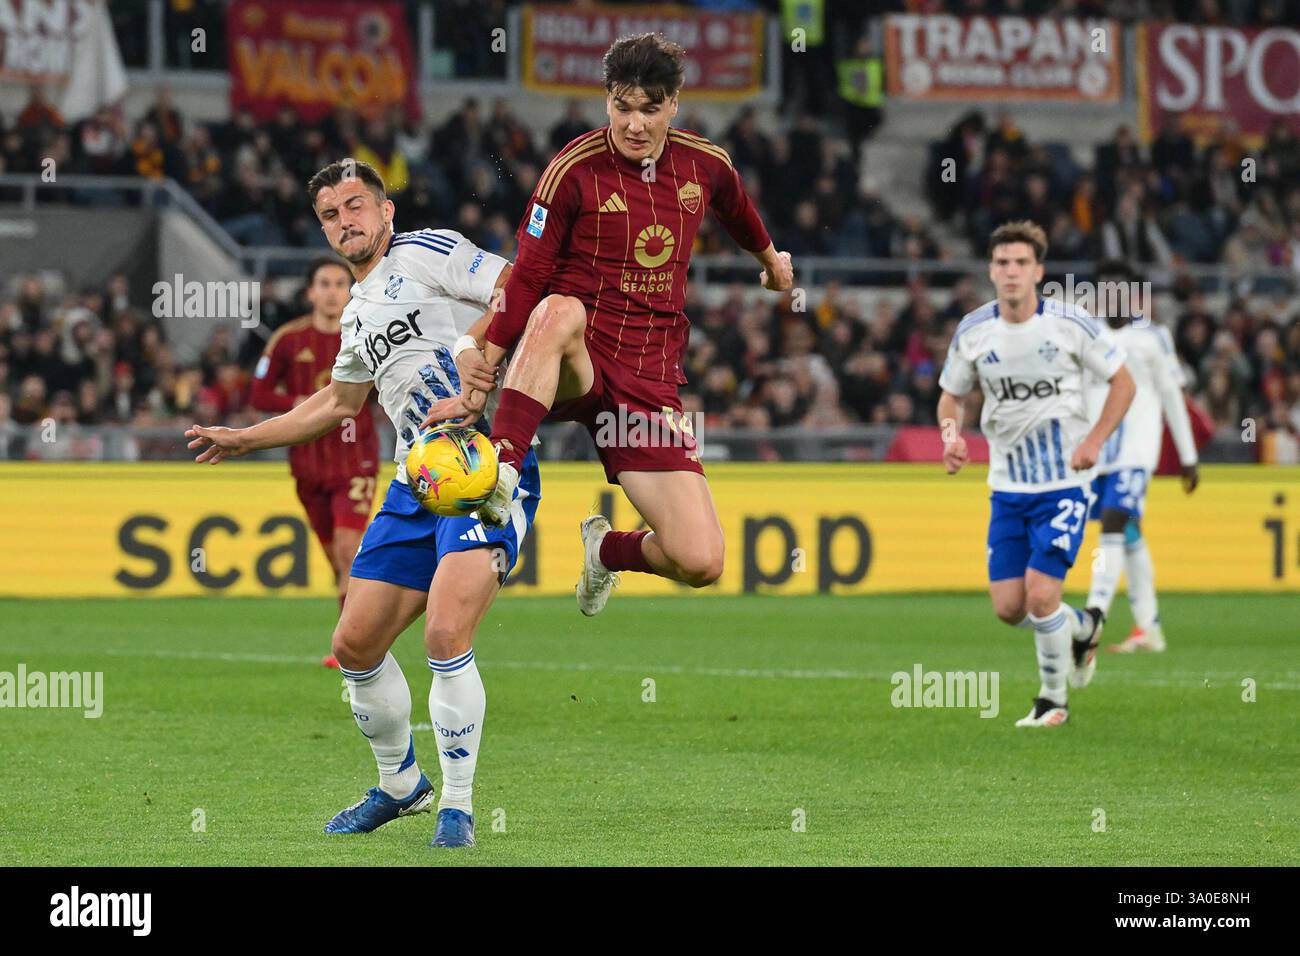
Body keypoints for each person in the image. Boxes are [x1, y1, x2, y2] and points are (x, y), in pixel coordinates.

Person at [185, 160, 538, 848]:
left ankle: (458, 811)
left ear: (385, 212)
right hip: (415, 481)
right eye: (330, 213)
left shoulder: (426, 250)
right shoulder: (357, 312)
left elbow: (516, 287)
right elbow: (339, 402)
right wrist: (245, 438)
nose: (345, 221)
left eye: (355, 205)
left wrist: (477, 356)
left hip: (482, 461)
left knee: (444, 633)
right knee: (353, 642)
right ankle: (402, 786)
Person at [424, 33, 792, 616]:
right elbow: (527, 276)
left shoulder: (706, 165)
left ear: (674, 104)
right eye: (622, 106)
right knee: (557, 306)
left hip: (648, 380)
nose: (635, 123)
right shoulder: (573, 170)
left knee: (702, 560)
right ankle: (502, 468)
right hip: (575, 358)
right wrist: (483, 370)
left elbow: (738, 210)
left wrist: (771, 261)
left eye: (649, 107)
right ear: (606, 102)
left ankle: (607, 549)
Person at [937, 221, 1136, 728]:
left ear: (1039, 271)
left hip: (1064, 484)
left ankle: (1053, 701)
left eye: (1021, 263)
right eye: (1002, 262)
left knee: (1043, 593)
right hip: (1007, 487)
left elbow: (1123, 384)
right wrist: (950, 437)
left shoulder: (1071, 325)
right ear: (990, 270)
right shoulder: (974, 330)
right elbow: (952, 396)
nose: (1011, 272)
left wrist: (1094, 440)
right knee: (1009, 606)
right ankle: (1085, 626)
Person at [250, 258, 381, 669]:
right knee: (335, 559)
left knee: (348, 550)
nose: (332, 291)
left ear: (351, 288)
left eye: (340, 283)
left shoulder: (368, 331)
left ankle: (352, 649)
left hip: (355, 461)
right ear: (310, 292)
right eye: (323, 283)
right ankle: (355, 638)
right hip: (307, 466)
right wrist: (298, 405)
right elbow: (258, 394)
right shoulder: (289, 340)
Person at [1081, 261, 1199, 653]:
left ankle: (1094, 615)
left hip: (1137, 450)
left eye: (1120, 288)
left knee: (1113, 522)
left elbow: (1172, 397)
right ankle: (1149, 627)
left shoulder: (1154, 336)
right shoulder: (1086, 333)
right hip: (1098, 453)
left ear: (1133, 295)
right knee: (1128, 532)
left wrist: (1188, 455)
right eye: (1105, 288)